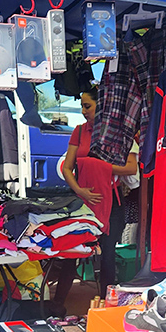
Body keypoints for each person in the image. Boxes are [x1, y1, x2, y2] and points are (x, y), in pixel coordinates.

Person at [57, 86, 138, 304]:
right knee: (71, 251)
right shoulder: (80, 131)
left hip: (111, 202)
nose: (83, 111)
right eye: (82, 106)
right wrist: (80, 190)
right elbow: (67, 167)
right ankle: (57, 305)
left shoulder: (120, 132)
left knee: (108, 255)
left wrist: (97, 166)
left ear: (101, 105)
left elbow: (131, 168)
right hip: (81, 203)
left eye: (87, 106)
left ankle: (106, 306)